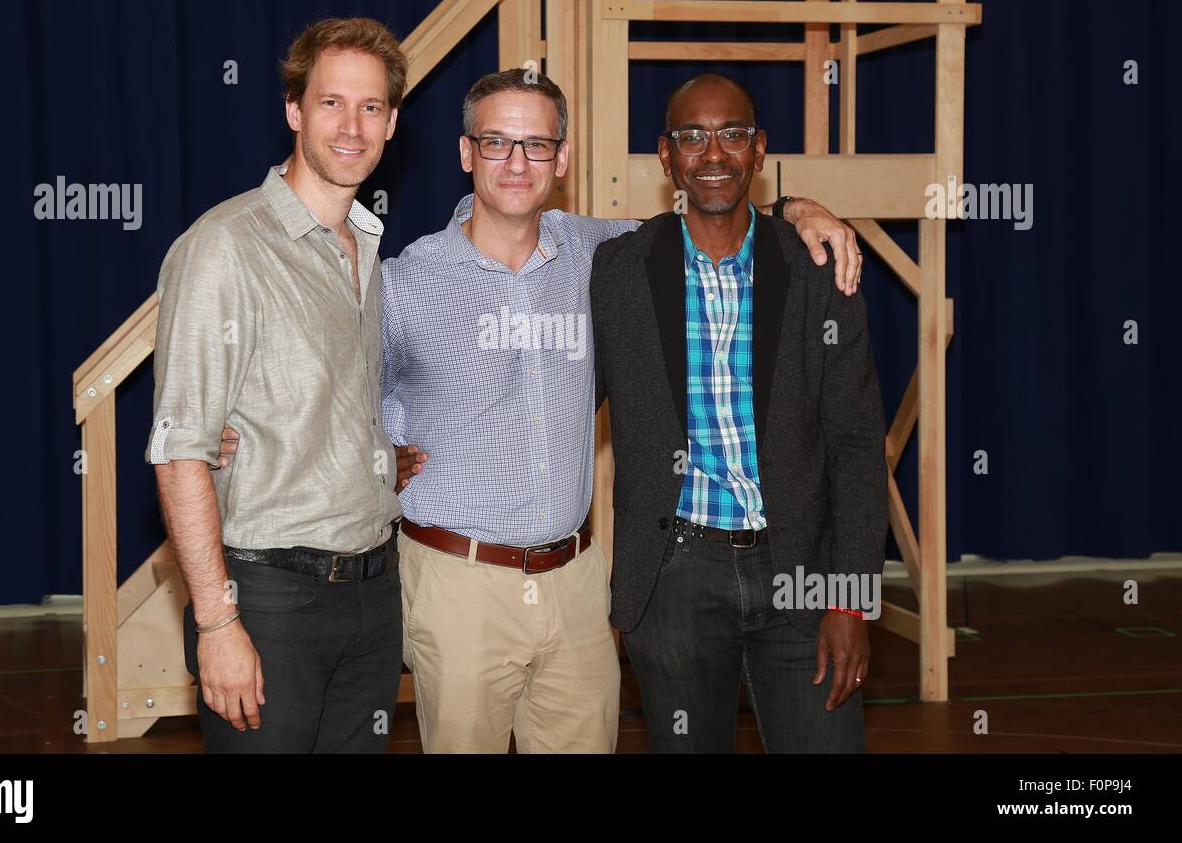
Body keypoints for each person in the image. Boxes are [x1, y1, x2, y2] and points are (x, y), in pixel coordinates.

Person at [375, 68, 864, 752]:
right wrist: (374, 451)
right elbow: (338, 393)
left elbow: (716, 208)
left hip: (576, 584)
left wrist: (795, 207)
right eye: (496, 142)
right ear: (466, 152)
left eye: (537, 144)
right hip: (462, 583)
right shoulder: (404, 281)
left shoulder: (600, 255)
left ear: (562, 159)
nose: (517, 162)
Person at [591, 73, 888, 752]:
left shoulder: (818, 267)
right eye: (692, 136)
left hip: (802, 569)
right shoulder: (618, 269)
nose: (713, 152)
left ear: (759, 148)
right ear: (665, 155)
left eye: (732, 133)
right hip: (674, 575)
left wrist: (850, 598)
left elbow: (856, 444)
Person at [145, 17, 407, 752]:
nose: (352, 126)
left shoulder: (365, 246)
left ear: (392, 122)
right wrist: (217, 621)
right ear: (294, 110)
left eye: (371, 107)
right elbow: (179, 448)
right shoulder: (224, 246)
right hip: (269, 600)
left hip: (374, 595)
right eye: (331, 103)